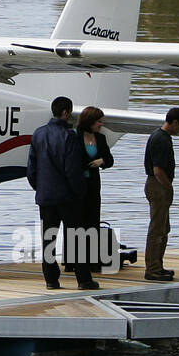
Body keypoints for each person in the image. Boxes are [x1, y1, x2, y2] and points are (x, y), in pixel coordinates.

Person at [26, 96, 96, 290]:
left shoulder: (38, 134)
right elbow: (72, 169)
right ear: (66, 113)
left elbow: (31, 168)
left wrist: (39, 187)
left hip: (46, 196)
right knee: (77, 236)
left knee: (48, 238)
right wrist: (80, 192)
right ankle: (83, 279)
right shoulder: (69, 136)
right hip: (67, 197)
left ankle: (50, 279)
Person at [143, 107, 179, 281]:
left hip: (158, 185)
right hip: (158, 186)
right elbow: (158, 170)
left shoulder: (160, 136)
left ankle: (158, 265)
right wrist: (168, 187)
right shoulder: (161, 139)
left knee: (163, 228)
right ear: (175, 122)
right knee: (157, 229)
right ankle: (152, 269)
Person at [74, 106, 114, 271]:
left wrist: (102, 161)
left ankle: (92, 260)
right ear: (89, 121)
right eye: (98, 121)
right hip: (78, 186)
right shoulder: (75, 137)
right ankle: (76, 261)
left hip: (93, 186)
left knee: (92, 221)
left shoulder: (100, 138)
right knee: (78, 222)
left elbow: (109, 159)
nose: (101, 124)